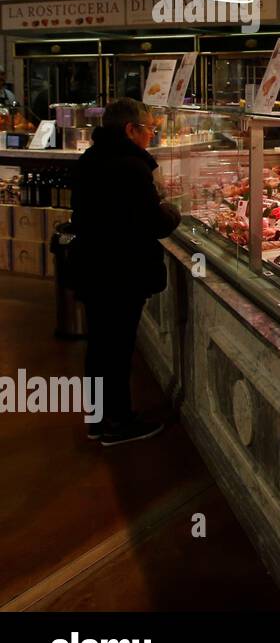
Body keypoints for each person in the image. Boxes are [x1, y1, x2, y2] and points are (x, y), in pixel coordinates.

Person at [70, 98, 180, 445]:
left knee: (100, 347)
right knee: (117, 349)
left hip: (93, 266)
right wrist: (172, 211)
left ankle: (97, 420)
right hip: (119, 272)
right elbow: (153, 223)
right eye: (149, 129)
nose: (152, 136)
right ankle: (118, 424)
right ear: (130, 129)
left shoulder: (92, 158)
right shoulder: (131, 167)